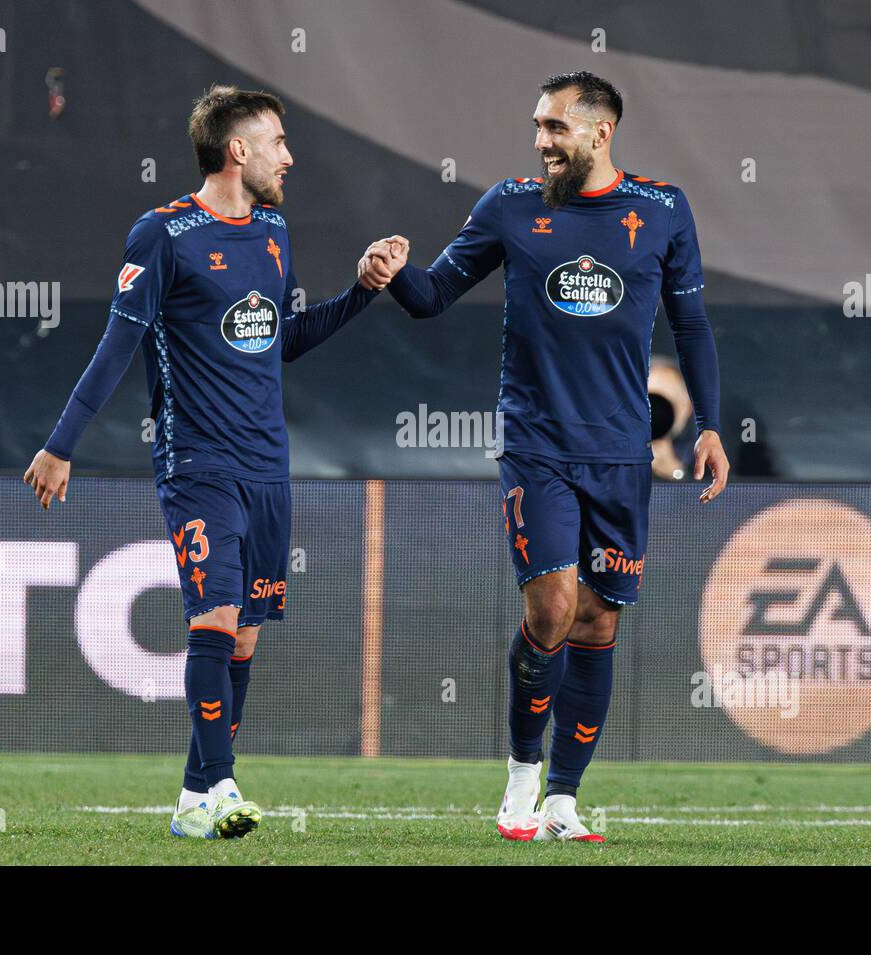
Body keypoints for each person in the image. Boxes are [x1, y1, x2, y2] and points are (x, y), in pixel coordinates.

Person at [359, 72, 727, 842]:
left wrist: (712, 426)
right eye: (537, 125)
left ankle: (564, 796)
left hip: (623, 453)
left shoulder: (662, 210)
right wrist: (391, 277)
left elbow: (691, 326)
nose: (540, 141)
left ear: (601, 133)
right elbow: (433, 297)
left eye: (556, 128)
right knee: (553, 606)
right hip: (538, 445)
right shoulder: (509, 206)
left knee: (596, 621)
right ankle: (521, 777)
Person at [23, 85, 395, 839]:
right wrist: (62, 443)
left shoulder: (273, 233)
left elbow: (285, 337)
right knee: (216, 617)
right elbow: (116, 345)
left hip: (267, 465)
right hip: (198, 461)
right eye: (279, 141)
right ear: (238, 151)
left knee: (246, 634)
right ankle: (223, 784)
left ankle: (195, 798)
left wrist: (360, 293)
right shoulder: (163, 234)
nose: (289, 155)